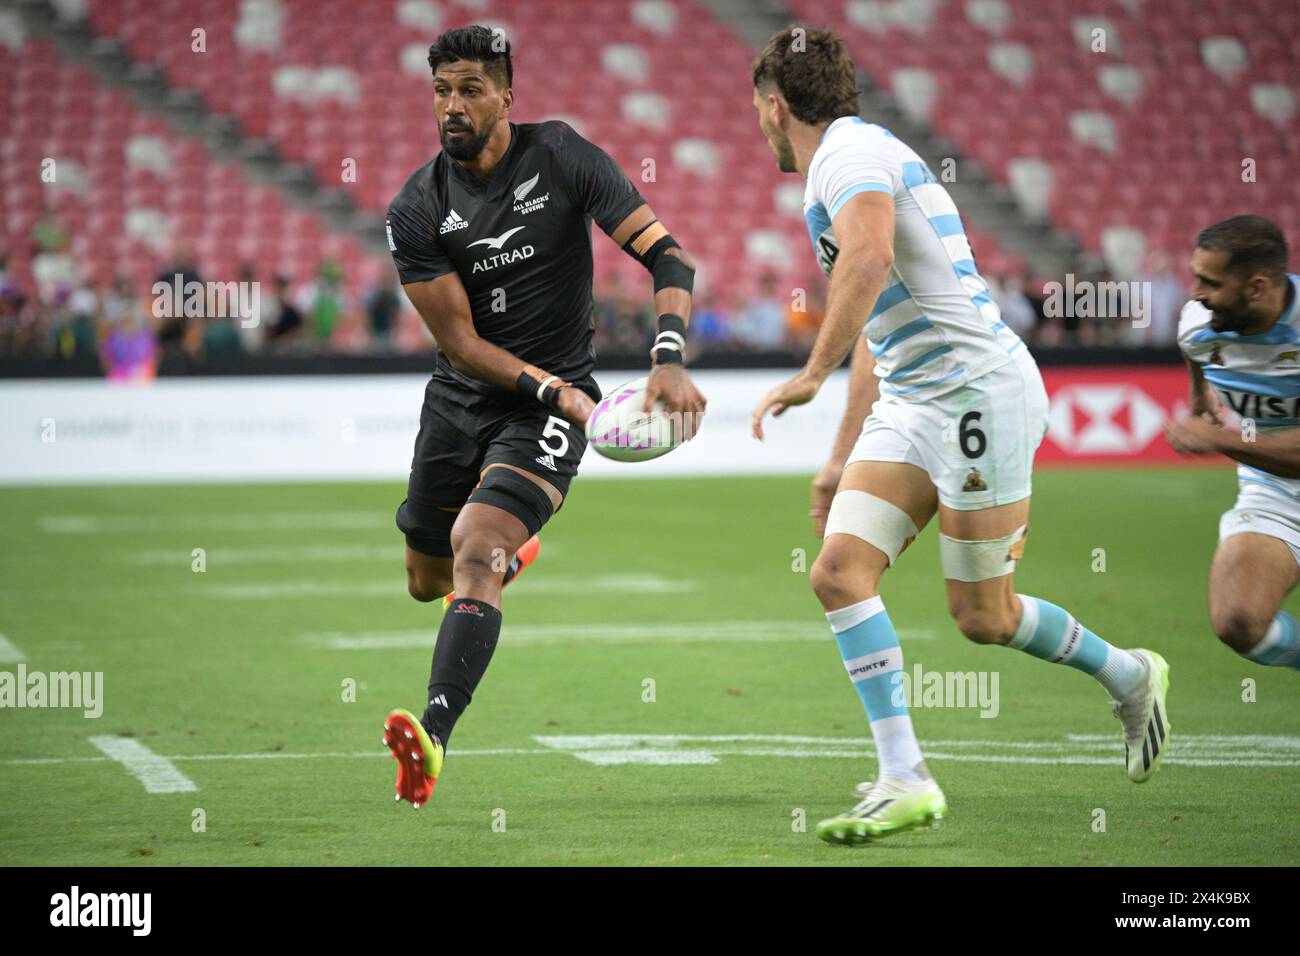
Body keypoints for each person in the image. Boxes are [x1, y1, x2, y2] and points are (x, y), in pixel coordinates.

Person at [747, 27, 1170, 846]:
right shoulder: (840, 163)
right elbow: (876, 312)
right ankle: (905, 776)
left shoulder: (847, 156)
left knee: (984, 615)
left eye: (758, 113)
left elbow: (865, 261)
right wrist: (839, 456)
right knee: (838, 573)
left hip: (980, 396)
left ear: (774, 105)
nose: (760, 128)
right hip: (913, 401)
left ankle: (1130, 672)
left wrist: (808, 373)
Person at [382, 25, 707, 808]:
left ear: (505, 96)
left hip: (551, 411)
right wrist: (550, 389)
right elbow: (459, 343)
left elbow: (670, 256)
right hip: (464, 400)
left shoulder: (560, 156)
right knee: (426, 581)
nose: (452, 106)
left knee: (474, 546)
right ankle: (512, 560)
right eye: (440, 91)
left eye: (469, 89)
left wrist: (667, 356)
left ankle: (432, 734)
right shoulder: (417, 207)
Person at [1164, 215, 1300, 671]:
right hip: (1276, 493)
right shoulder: (1196, 323)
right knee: (1238, 620)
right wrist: (1198, 393)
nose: (1196, 293)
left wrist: (1217, 438)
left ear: (1257, 288)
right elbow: (1195, 350)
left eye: (1210, 282)